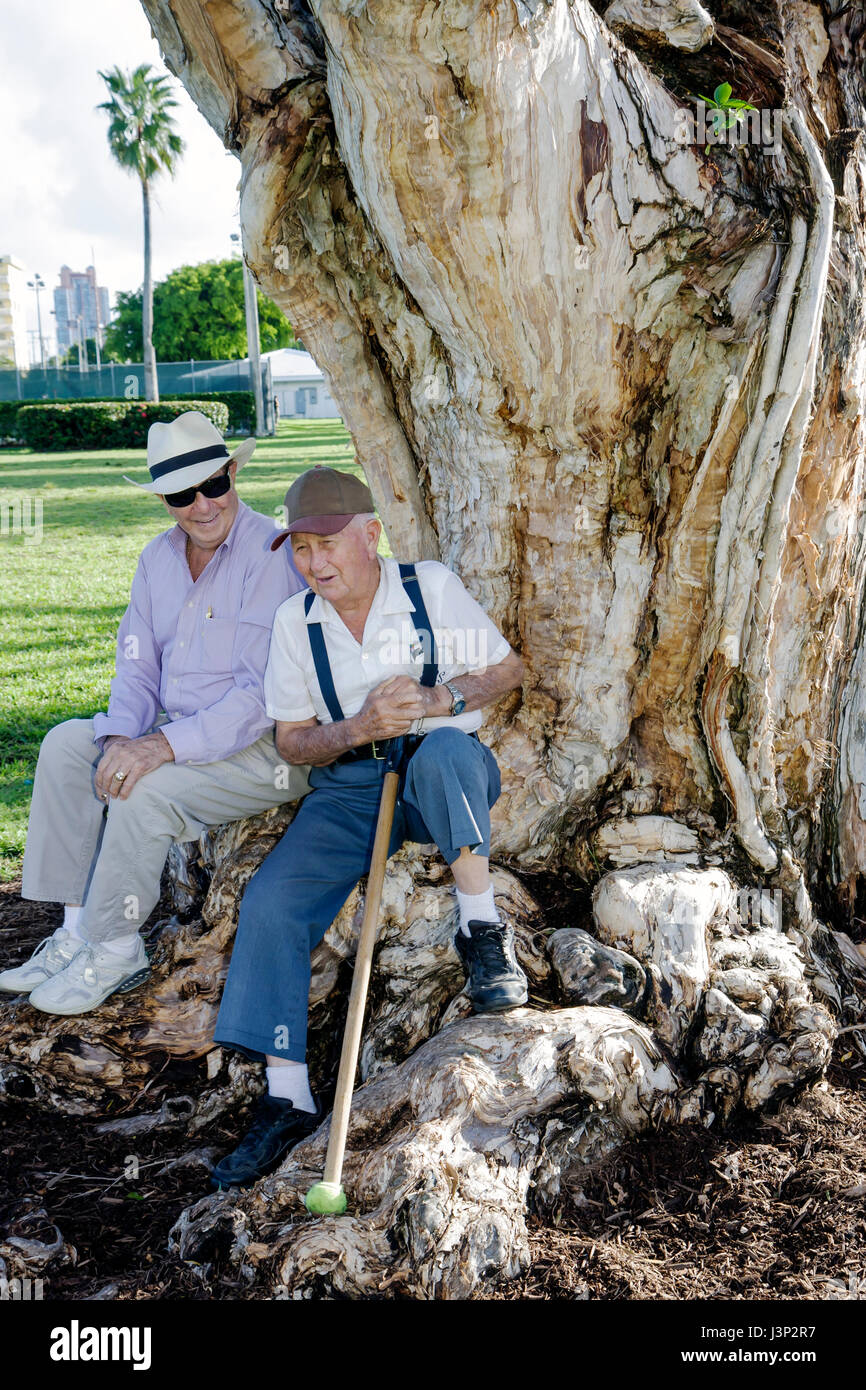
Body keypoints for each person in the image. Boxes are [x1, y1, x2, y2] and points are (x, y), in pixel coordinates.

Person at [209, 464, 528, 1187]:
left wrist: (437, 696)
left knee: (447, 752)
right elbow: (293, 739)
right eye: (300, 550)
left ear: (370, 535)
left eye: (328, 544)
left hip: (438, 768)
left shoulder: (429, 588)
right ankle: (287, 1096)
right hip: (354, 785)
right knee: (271, 903)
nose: (315, 563)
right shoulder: (297, 625)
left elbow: (506, 670)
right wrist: (357, 727)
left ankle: (481, 929)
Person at [0, 410, 309, 1015]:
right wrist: (121, 737)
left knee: (146, 789)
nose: (201, 505)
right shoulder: (156, 560)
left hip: (267, 747)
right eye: (180, 493)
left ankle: (115, 947)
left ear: (232, 473)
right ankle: (77, 930)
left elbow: (258, 697)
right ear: (164, 499)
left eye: (213, 485)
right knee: (67, 745)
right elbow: (137, 667)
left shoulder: (271, 552)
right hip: (185, 733)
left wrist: (160, 747)